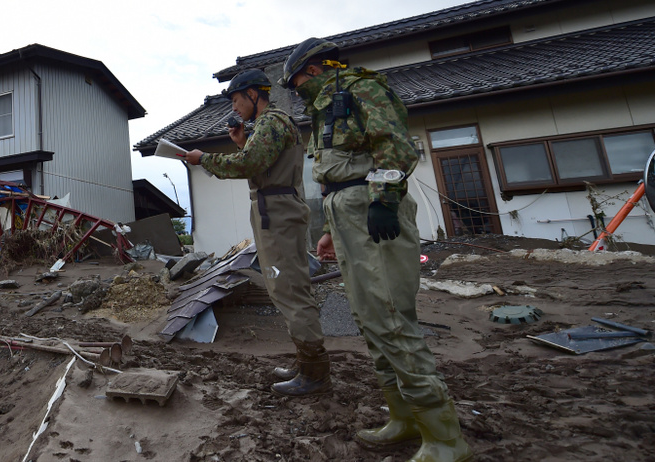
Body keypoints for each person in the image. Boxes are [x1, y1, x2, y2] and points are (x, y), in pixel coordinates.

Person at [280, 37, 472, 462]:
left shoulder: (360, 89)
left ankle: (444, 438)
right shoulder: (326, 105)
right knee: (369, 319)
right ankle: (404, 417)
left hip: (372, 208)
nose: (296, 93)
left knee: (389, 316)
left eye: (296, 84)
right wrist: (330, 227)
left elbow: (396, 147)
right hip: (347, 211)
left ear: (312, 70)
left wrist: (385, 199)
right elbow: (335, 174)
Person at [182, 69, 330, 397]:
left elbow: (250, 163)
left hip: (277, 211)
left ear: (253, 95)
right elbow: (257, 160)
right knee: (283, 287)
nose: (234, 108)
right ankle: (306, 363)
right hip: (271, 209)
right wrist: (242, 143)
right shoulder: (266, 126)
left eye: (236, 100)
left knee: (289, 289)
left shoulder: (272, 122)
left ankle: (315, 371)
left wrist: (204, 159)